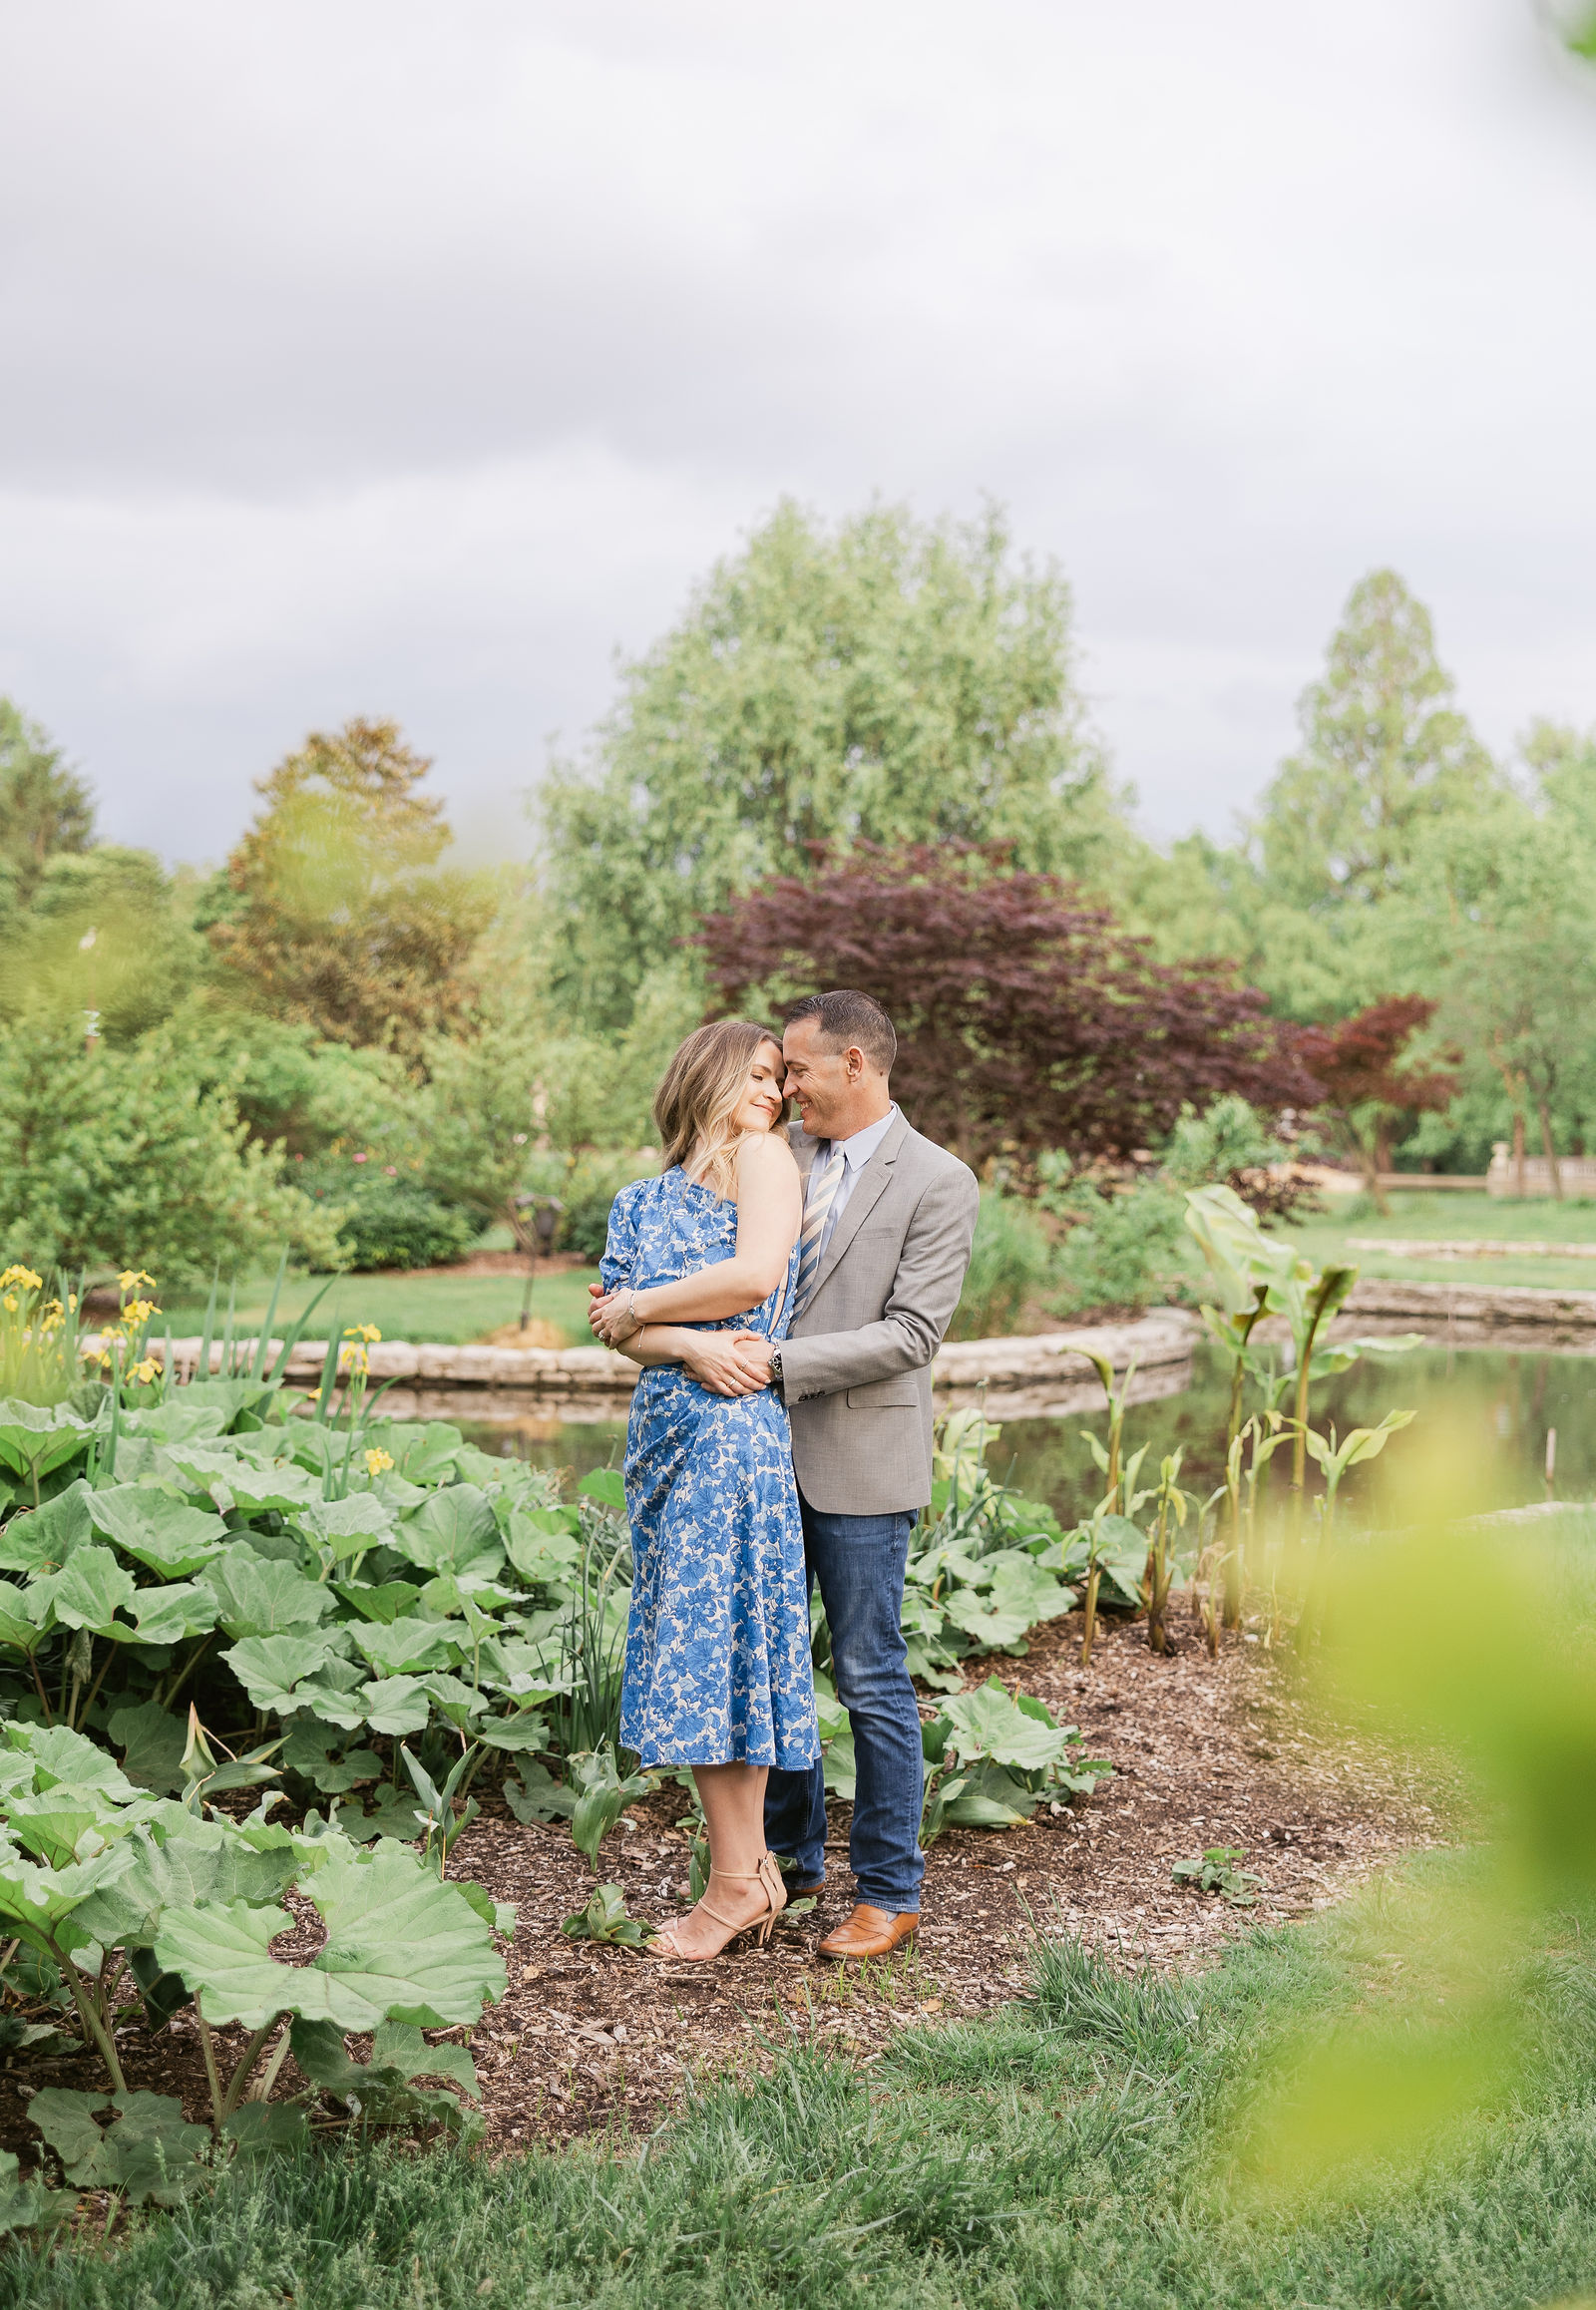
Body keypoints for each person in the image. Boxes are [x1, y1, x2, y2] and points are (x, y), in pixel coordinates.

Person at [718, 990, 979, 1961]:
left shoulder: (939, 1179)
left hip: (863, 1464)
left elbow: (911, 1334)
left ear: (856, 1063)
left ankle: (891, 1891)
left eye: (798, 1069)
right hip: (756, 1456)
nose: (787, 1087)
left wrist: (778, 1363)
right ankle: (787, 1861)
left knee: (869, 1677)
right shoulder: (775, 1160)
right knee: (772, 1667)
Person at [588, 1019, 819, 1961]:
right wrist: (680, 1340)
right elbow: (614, 1330)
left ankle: (735, 1885)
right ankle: (750, 1873)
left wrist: (645, 1309)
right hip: (667, 1436)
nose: (774, 1092)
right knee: (706, 1653)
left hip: (731, 1436)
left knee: (715, 1651)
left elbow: (753, 1276)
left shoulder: (763, 1161)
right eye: (755, 1075)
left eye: (779, 1078)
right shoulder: (638, 1201)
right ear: (704, 1077)